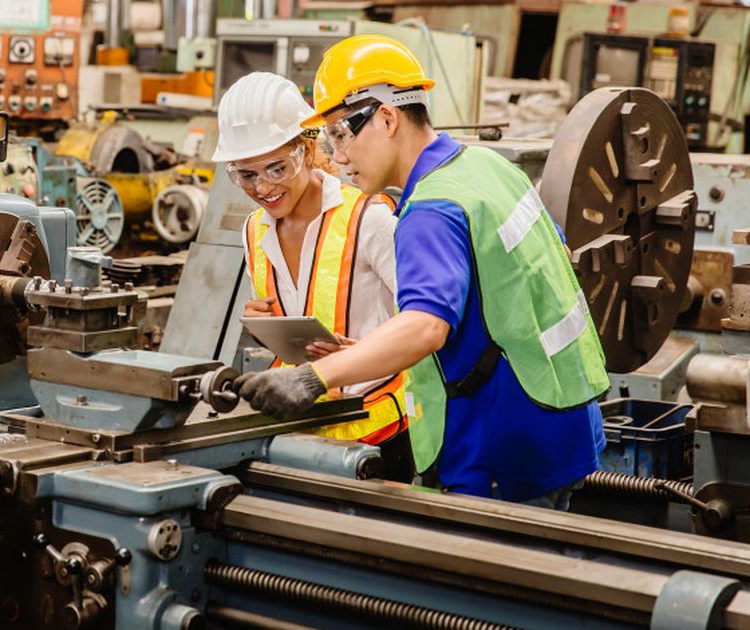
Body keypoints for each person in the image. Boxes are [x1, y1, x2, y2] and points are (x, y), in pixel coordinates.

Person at [232, 36, 607, 510]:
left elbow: (427, 326)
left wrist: (312, 379)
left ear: (387, 118)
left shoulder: (431, 209)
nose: (339, 157)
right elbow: (507, 285)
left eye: (342, 135)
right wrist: (365, 350)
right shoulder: (485, 167)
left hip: (498, 444)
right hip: (561, 419)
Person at [213, 71, 412, 482]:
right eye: (246, 175)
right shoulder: (254, 230)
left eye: (276, 168)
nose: (264, 187)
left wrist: (359, 353)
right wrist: (264, 327)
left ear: (307, 150)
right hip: (299, 429)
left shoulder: (369, 219)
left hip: (376, 432)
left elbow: (425, 327)